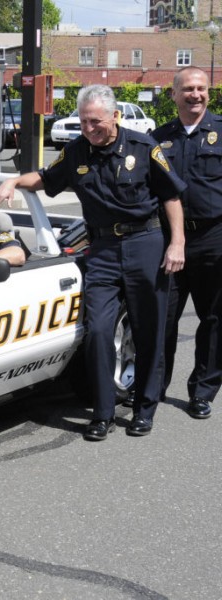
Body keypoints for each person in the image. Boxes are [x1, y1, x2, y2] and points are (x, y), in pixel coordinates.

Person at [0, 84, 186, 441]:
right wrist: (13, 180)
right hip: (103, 249)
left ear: (115, 116)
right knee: (97, 330)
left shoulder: (144, 148)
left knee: (148, 331)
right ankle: (103, 412)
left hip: (146, 242)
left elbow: (171, 196)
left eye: (96, 121)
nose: (89, 128)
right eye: (83, 121)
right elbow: (47, 180)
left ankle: (144, 409)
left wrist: (177, 243)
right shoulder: (77, 151)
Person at [152, 66, 222, 420]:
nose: (196, 95)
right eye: (188, 89)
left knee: (213, 319)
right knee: (163, 316)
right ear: (174, 94)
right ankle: (153, 389)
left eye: (201, 89)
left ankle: (202, 392)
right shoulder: (158, 138)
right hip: (170, 241)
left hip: (215, 237)